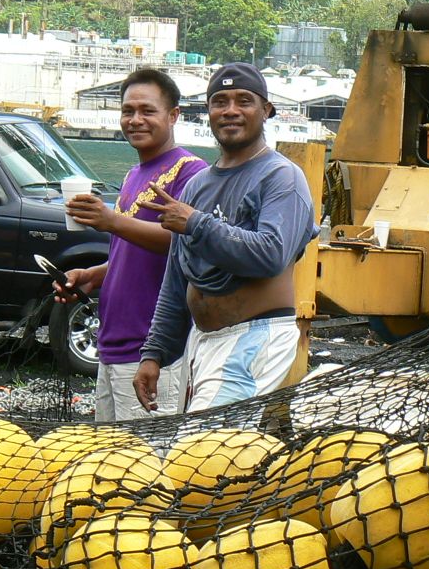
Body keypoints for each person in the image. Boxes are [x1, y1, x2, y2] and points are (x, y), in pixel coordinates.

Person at [132, 62, 318, 414]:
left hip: (252, 338)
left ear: (266, 110)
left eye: (244, 100)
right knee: (214, 457)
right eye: (220, 101)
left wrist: (198, 224)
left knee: (200, 451)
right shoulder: (196, 186)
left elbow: (271, 254)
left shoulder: (282, 178)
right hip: (203, 342)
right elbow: (176, 281)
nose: (230, 110)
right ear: (208, 112)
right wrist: (153, 354)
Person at [54, 69, 207, 421]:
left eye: (147, 111)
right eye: (128, 111)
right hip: (112, 344)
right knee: (110, 463)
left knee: (146, 466)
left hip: (153, 351)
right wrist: (93, 275)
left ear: (173, 116)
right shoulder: (133, 174)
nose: (135, 120)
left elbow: (188, 246)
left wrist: (111, 220)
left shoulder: (191, 172)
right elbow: (133, 255)